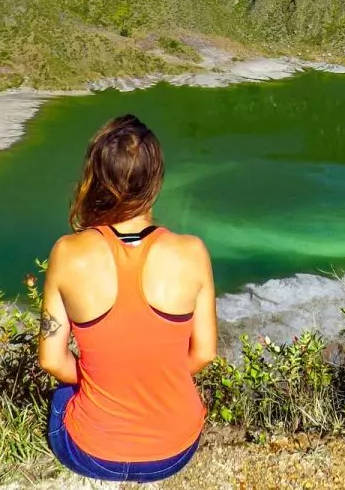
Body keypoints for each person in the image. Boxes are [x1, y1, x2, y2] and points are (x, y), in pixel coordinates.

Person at [38, 114, 217, 483]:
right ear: (155, 181)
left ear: (95, 179)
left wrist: (100, 379)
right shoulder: (192, 252)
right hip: (176, 451)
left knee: (61, 398)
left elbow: (51, 359)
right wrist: (149, 378)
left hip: (92, 454)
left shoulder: (67, 253)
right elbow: (204, 353)